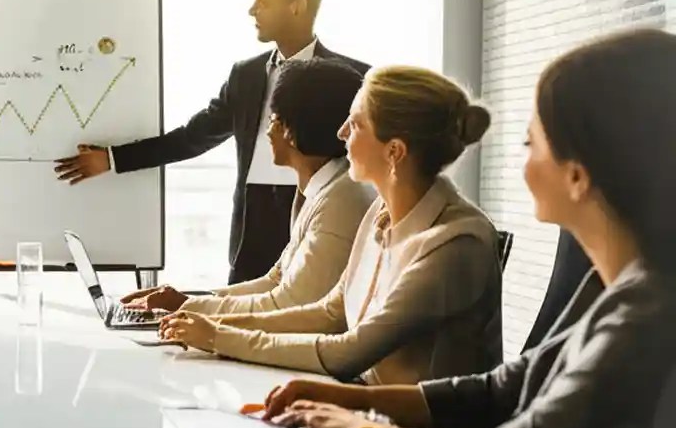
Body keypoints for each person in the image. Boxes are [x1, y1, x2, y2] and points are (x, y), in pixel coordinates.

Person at [262, 29, 676, 428]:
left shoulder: (646, 317)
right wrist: (358, 399)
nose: (522, 156)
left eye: (533, 142)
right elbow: (505, 387)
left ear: (579, 175)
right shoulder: (616, 289)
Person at [160, 65, 502, 385]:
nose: (340, 134)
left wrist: (218, 336)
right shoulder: (379, 214)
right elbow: (330, 313)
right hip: (364, 408)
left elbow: (348, 353)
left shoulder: (456, 243)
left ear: (394, 151)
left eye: (354, 125)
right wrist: (211, 326)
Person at [54, 0, 368, 284]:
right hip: (253, 230)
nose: (251, 10)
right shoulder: (245, 76)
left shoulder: (352, 79)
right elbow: (193, 137)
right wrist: (111, 159)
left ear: (297, 6)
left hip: (322, 215)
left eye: (263, 2)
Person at [119, 59, 374, 316]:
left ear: (292, 131)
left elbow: (288, 303)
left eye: (273, 119)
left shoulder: (339, 202)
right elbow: (275, 280)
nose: (267, 132)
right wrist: (185, 299)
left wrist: (188, 307)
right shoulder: (320, 188)